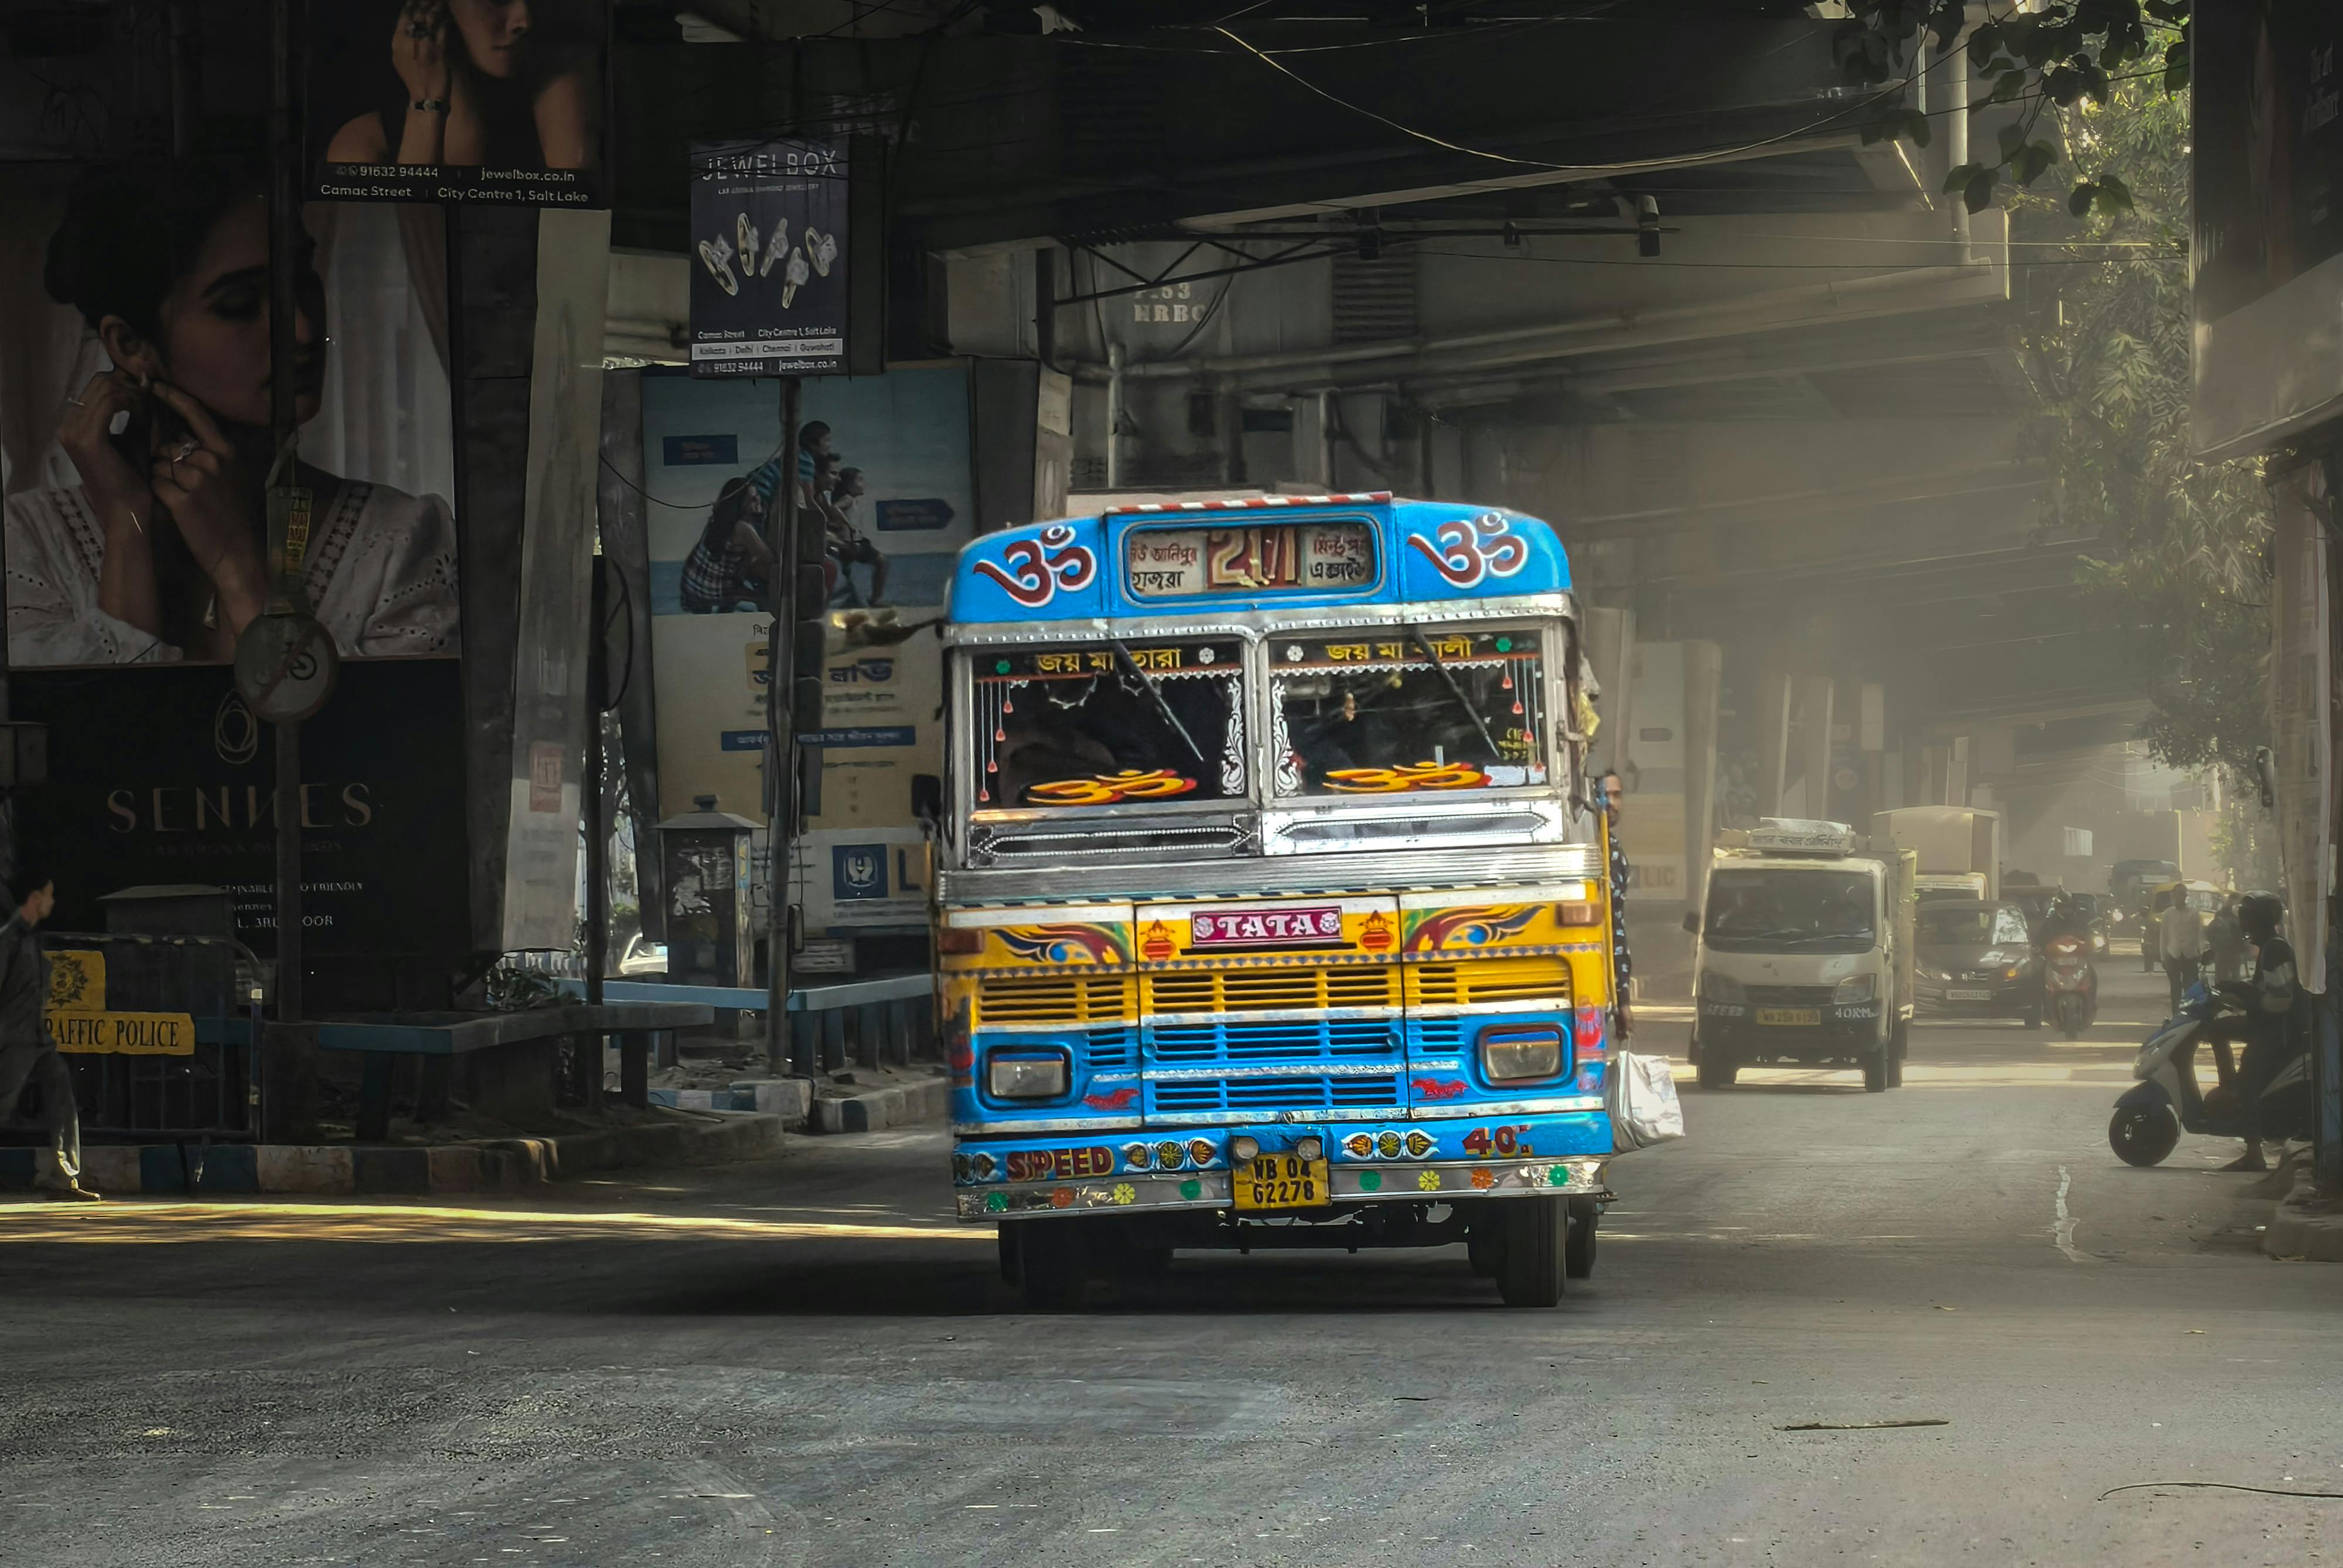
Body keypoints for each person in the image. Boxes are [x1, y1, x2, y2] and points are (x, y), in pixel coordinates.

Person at [7, 160, 459, 666]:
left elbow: (370, 740)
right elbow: (102, 735)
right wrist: (127, 528)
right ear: (132, 345)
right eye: (241, 305)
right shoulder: (27, 543)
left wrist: (240, 568)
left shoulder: (401, 541)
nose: (305, 332)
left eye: (304, 281)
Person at [324, 0, 598, 172]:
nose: (524, 20)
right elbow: (410, 243)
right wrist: (427, 102)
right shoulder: (361, 146)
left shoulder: (558, 95)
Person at [0, 866, 97, 1201]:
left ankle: (62, 1176)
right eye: (50, 894)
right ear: (35, 897)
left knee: (60, 1091)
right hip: (12, 1040)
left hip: (37, 1040)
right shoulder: (9, 941)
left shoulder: (28, 940)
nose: (53, 902)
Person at [2223, 892, 2300, 1173]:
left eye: (2247, 919)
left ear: (2257, 921)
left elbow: (2280, 999)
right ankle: (2227, 1088)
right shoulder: (2270, 946)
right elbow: (2266, 988)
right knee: (2217, 1029)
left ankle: (2254, 1151)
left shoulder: (2275, 949)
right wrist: (2239, 989)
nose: (2244, 925)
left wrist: (2248, 996)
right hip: (2269, 1024)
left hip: (2276, 1030)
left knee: (2247, 1082)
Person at [678, 476, 774, 613]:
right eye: (753, 498)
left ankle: (723, 614)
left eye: (758, 496)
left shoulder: (718, 519)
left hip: (692, 583)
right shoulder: (743, 528)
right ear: (740, 503)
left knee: (739, 578)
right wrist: (761, 517)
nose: (758, 500)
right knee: (762, 598)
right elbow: (768, 557)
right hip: (712, 587)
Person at [1597, 768, 1633, 1040]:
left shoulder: (1612, 847)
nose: (1611, 802)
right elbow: (1611, 926)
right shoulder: (1595, 847)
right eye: (1604, 794)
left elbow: (1616, 927)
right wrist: (1624, 1001)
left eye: (1616, 795)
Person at [826, 465, 888, 605]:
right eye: (859, 480)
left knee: (847, 574)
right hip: (851, 544)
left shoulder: (852, 500)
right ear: (849, 485)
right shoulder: (847, 499)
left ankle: (846, 597)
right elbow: (834, 509)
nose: (863, 483)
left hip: (854, 542)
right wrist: (845, 522)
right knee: (882, 562)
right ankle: (876, 599)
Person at [2157, 889, 2206, 1017]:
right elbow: (2164, 936)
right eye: (2177, 895)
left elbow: (2200, 934)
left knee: (2190, 988)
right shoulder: (2168, 914)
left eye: (2182, 895)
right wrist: (2163, 957)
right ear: (2173, 897)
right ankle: (2176, 1015)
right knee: (2175, 988)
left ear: (2185, 896)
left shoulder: (2194, 914)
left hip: (2190, 955)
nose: (2180, 898)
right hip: (2173, 954)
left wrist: (2201, 952)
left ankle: (2190, 1014)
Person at [2207, 896, 2251, 988]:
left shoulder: (2224, 916)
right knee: (2230, 978)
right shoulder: (2228, 917)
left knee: (2226, 978)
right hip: (2227, 951)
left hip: (2229, 952)